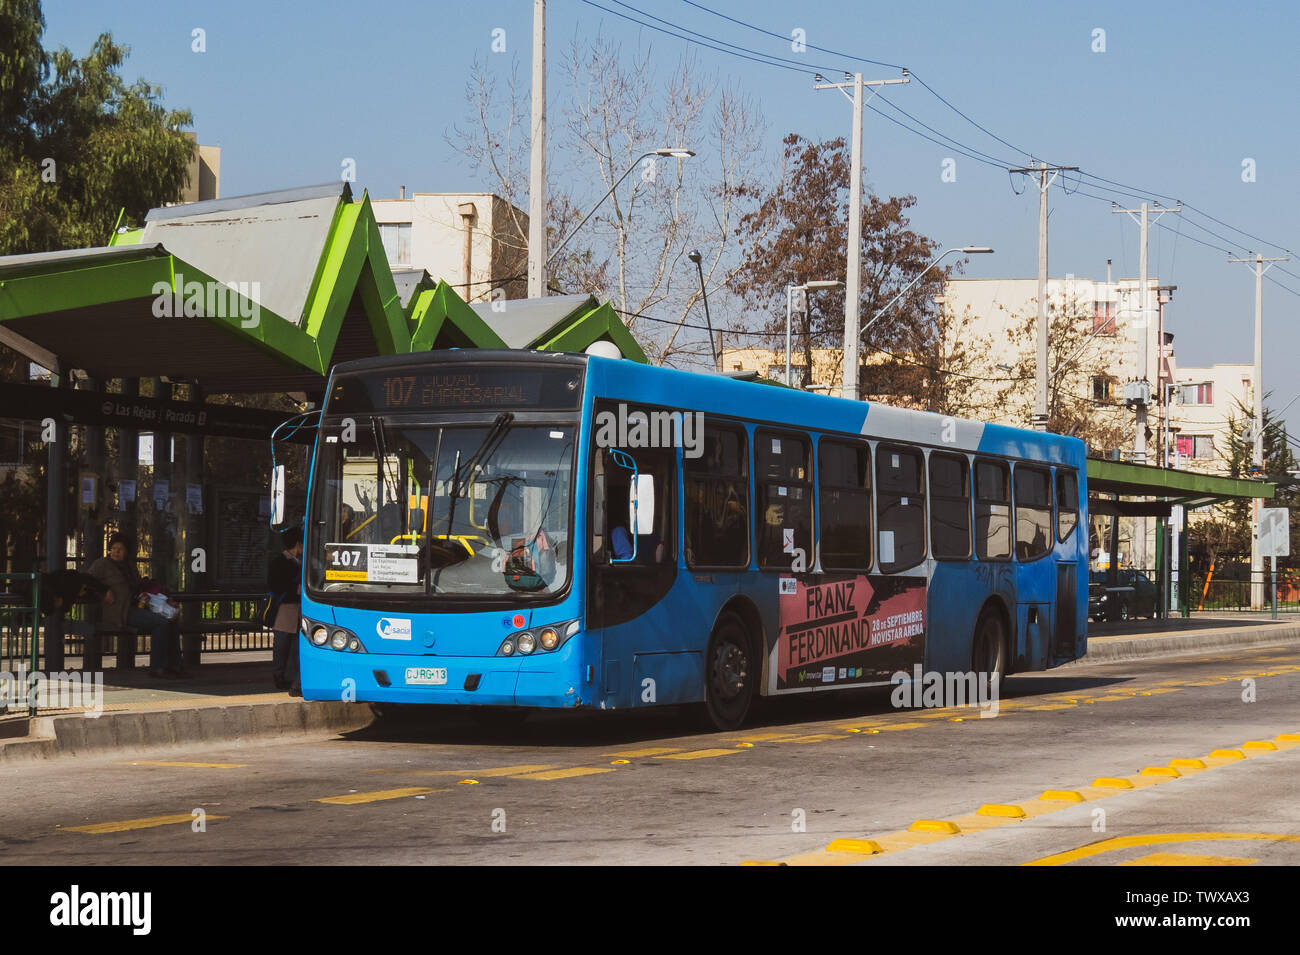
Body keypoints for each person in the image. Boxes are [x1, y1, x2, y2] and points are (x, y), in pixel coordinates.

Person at [86, 533, 184, 678]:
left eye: (120, 549)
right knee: (161, 623)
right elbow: (87, 581)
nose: (116, 552)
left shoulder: (130, 566)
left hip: (138, 606)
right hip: (120, 611)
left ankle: (175, 666)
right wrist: (104, 591)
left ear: (127, 552)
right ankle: (158, 667)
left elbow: (138, 586)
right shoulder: (101, 564)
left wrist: (143, 594)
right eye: (113, 548)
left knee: (171, 620)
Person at [267, 527, 303, 694]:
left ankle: (292, 677)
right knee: (282, 646)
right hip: (285, 610)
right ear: (297, 543)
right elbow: (276, 585)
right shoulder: (280, 562)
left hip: (296, 611)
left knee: (295, 647)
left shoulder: (300, 561)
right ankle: (280, 676)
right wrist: (295, 589)